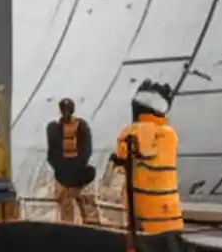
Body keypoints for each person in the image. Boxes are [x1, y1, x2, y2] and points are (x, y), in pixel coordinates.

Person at [113, 80, 183, 249]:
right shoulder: (168, 135)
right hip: (167, 218)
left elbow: (122, 160)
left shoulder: (128, 134)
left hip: (138, 217)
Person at [46, 98, 100, 224]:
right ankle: (69, 232)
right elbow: (53, 153)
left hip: (80, 175)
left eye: (68, 110)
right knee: (66, 208)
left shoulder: (81, 127)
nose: (66, 113)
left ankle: (94, 231)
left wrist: (74, 176)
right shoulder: (54, 129)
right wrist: (63, 173)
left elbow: (86, 150)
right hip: (64, 176)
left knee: (88, 207)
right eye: (64, 110)